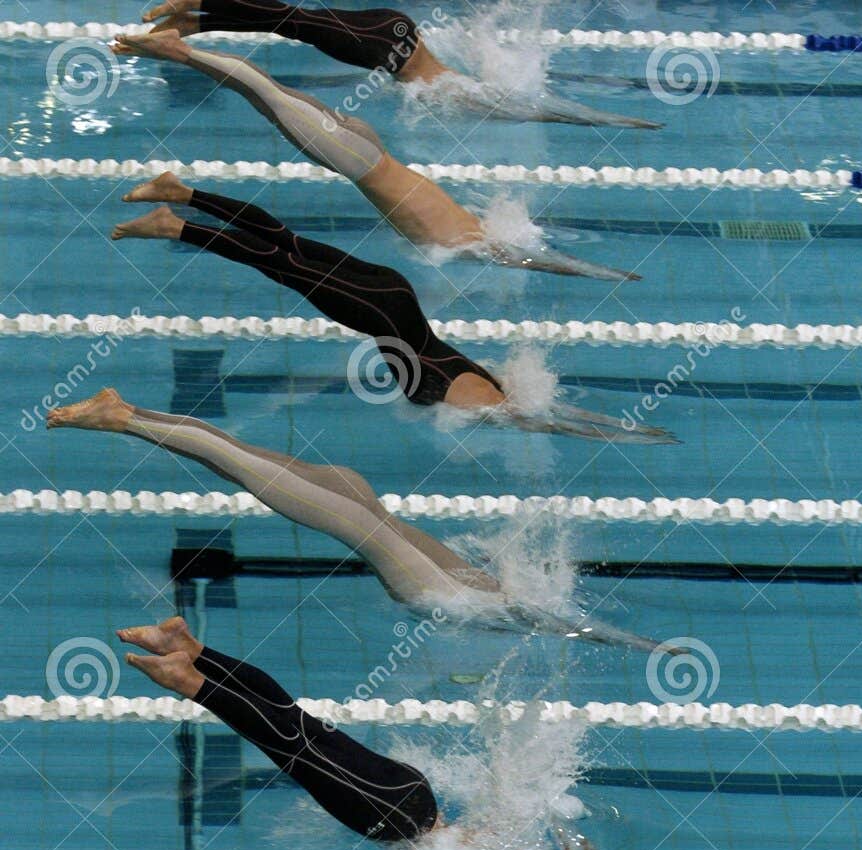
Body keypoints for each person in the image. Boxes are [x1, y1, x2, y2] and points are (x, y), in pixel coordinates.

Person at [83, 610, 743, 850]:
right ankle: (190, 678)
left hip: (409, 792)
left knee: (297, 725)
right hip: (393, 817)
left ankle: (192, 646)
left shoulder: (554, 835)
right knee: (293, 745)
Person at [48, 393, 675, 625]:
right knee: (239, 463)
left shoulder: (490, 586)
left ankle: (129, 416)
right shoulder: (508, 605)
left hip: (361, 502)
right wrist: (645, 650)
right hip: (361, 522)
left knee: (237, 457)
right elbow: (568, 625)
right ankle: (126, 419)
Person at [108, 192, 662, 436]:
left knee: (289, 247)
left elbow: (549, 411)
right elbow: (543, 418)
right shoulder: (486, 403)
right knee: (280, 264)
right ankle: (174, 223)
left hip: (396, 296)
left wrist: (614, 428)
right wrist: (608, 432)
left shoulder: (487, 381)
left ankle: (184, 196)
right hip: (377, 312)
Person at [110, 31, 641, 276]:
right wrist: (604, 275)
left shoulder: (467, 229)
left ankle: (174, 188)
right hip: (358, 160)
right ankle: (179, 49)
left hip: (364, 150)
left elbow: (528, 254)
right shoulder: (467, 240)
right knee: (265, 94)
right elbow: (535, 260)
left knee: (268, 96)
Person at [139, 0, 662, 128]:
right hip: (387, 52)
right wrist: (613, 121)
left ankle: (193, 19)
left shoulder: (470, 92)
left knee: (293, 19)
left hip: (397, 31)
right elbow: (546, 108)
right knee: (291, 21)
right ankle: (193, 16)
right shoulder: (483, 100)